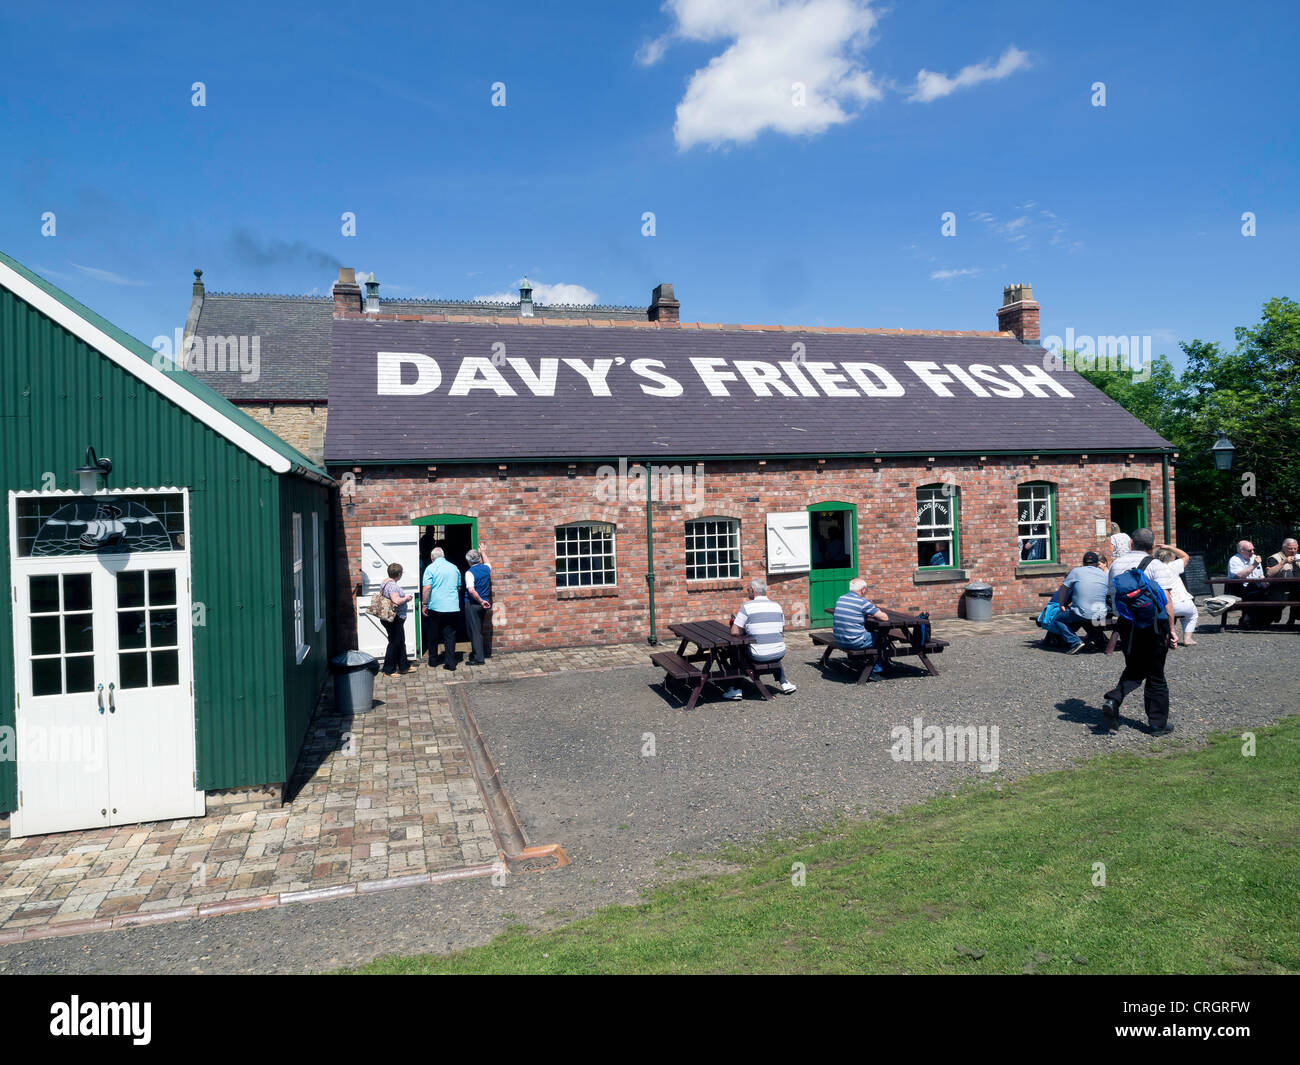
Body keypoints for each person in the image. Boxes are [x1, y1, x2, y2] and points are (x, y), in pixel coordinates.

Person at [1101, 528, 1178, 735]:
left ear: (1131, 544)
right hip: (1153, 626)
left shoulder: (1116, 565)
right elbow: (1167, 601)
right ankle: (1157, 724)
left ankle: (1114, 699)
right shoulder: (1157, 566)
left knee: (1135, 667)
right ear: (1152, 546)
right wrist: (1171, 629)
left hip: (1126, 624)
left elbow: (1111, 594)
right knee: (1155, 674)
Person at [723, 579, 797, 699]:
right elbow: (780, 631)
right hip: (779, 653)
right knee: (770, 643)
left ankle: (736, 690)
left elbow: (734, 631)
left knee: (735, 649)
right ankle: (784, 682)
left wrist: (746, 628)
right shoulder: (777, 606)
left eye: (748, 590)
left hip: (758, 654)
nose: (748, 592)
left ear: (752, 591)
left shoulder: (747, 606)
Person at [1047, 550, 1110, 653]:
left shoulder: (1076, 571)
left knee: (1058, 619)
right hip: (1100, 613)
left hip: (1081, 612)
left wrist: (1062, 604)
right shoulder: (1104, 575)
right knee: (1087, 617)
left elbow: (1064, 588)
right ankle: (1096, 640)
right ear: (1096, 563)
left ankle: (1075, 641)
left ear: (1083, 563)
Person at [833, 578, 890, 675]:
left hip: (840, 640)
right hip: (854, 642)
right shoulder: (862, 602)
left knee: (870, 634)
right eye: (866, 590)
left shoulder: (841, 598)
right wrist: (874, 611)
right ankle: (876, 670)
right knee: (883, 639)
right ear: (863, 589)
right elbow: (885, 618)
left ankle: (858, 660)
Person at [421, 547, 462, 670]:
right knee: (450, 635)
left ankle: (433, 660)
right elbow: (459, 587)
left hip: (436, 606)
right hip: (452, 606)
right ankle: (450, 662)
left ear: (432, 557)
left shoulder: (430, 568)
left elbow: (427, 588)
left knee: (433, 633)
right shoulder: (454, 568)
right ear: (443, 556)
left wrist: (424, 604)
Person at [1155, 544, 1199, 645]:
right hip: (1184, 603)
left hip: (1165, 606)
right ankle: (1188, 639)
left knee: (1165, 619)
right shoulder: (1175, 565)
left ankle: (1167, 637)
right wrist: (1169, 547)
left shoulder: (1154, 568)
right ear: (1171, 556)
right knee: (1192, 615)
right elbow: (1185, 556)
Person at [379, 563, 416, 676]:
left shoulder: (385, 582)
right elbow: (396, 601)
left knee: (399, 641)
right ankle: (388, 669)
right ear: (399, 574)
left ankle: (404, 666)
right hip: (394, 618)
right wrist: (407, 598)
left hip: (391, 617)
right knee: (394, 643)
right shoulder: (393, 586)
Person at [463, 547, 492, 665]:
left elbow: (471, 590)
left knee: (474, 631)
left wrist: (480, 601)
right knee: (478, 629)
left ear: (468, 561)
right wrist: (483, 551)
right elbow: (488, 562)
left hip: (473, 604)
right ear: (479, 559)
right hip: (484, 603)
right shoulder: (486, 568)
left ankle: (478, 658)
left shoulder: (470, 572)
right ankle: (478, 653)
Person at [1227, 540, 1266, 628]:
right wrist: (1254, 565)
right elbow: (1239, 576)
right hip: (1239, 588)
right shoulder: (1234, 560)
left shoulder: (1254, 557)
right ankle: (1247, 620)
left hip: (1255, 587)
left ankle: (1259, 620)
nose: (1252, 552)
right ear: (1241, 551)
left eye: (1253, 550)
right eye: (1249, 550)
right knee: (1256, 592)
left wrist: (1266, 584)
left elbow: (1261, 575)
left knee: (1271, 593)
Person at [1264, 537, 1300, 626]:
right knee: (1272, 617)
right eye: (1290, 548)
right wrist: (1283, 562)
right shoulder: (1274, 558)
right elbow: (1269, 573)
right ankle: (1288, 617)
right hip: (1280, 590)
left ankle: (1292, 618)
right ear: (1283, 548)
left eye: (1295, 548)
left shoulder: (1298, 557)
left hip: (1295, 589)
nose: (1293, 551)